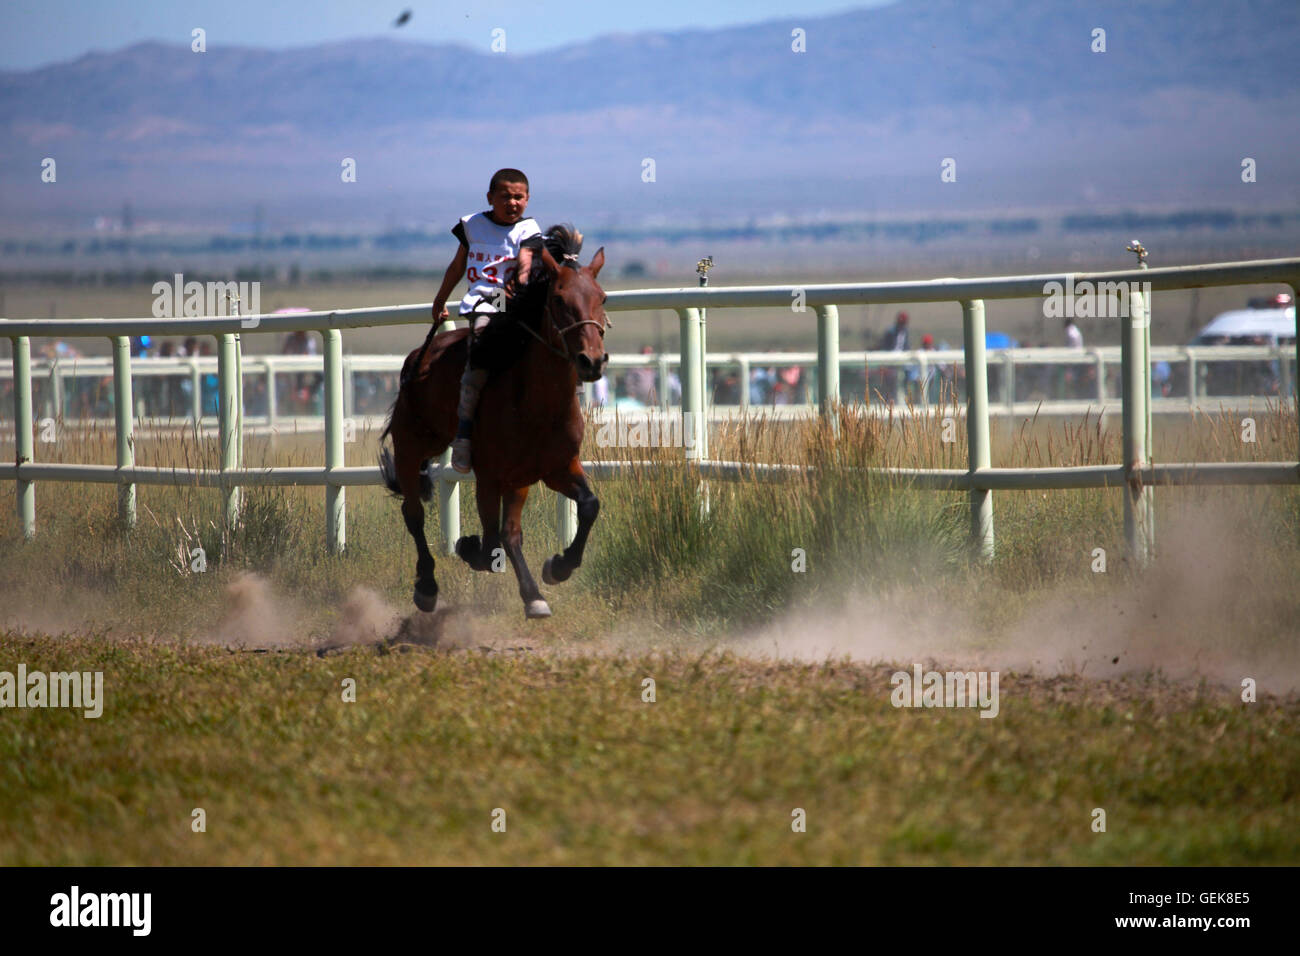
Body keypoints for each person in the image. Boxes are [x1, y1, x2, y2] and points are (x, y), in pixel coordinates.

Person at [415, 168, 544, 473]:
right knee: (482, 353)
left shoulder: (529, 229)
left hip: (517, 300)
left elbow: (526, 264)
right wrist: (440, 298)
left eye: (518, 197)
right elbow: (457, 266)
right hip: (485, 299)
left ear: (527, 199)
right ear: (490, 198)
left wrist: (521, 287)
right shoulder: (472, 225)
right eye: (505, 196)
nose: (512, 203)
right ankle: (463, 433)